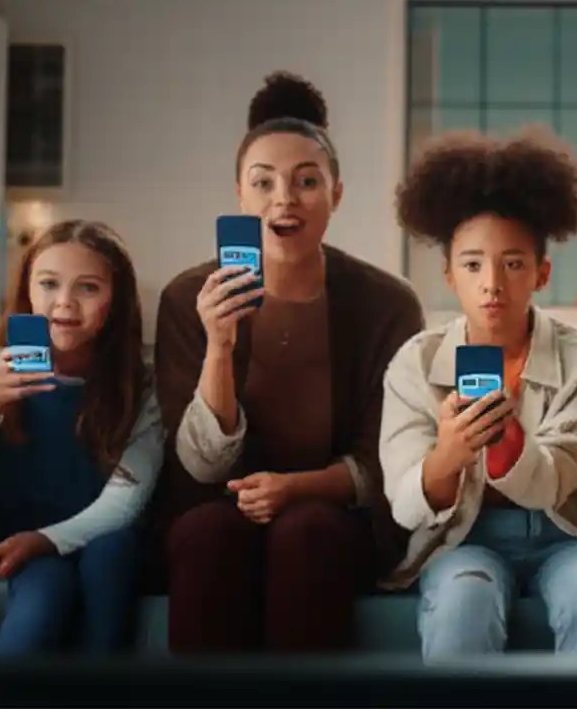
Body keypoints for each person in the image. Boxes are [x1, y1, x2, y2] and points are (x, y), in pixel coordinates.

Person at [150, 72, 424, 652]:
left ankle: (305, 694)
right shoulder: (187, 298)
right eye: (264, 182)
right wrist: (219, 345)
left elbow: (386, 459)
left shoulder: (387, 304)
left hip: (334, 514)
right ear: (239, 195)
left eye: (307, 181)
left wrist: (295, 489)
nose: (285, 199)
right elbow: (199, 466)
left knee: (306, 532)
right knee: (207, 533)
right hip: (217, 505)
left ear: (336, 195)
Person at [380, 127, 577, 656]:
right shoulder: (416, 363)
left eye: (513, 264)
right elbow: (405, 506)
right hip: (464, 540)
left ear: (542, 273)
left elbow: (550, 483)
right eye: (472, 264)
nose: (492, 284)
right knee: (463, 598)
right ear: (449, 275)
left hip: (573, 536)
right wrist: (448, 456)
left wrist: (505, 438)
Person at [0, 220, 162, 656]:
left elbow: (126, 502)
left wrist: (46, 539)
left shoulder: (141, 388)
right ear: (27, 291)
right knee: (46, 593)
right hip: (16, 539)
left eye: (88, 288)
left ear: (115, 302)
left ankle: (100, 685)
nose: (64, 302)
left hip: (102, 535)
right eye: (49, 284)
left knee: (112, 554)